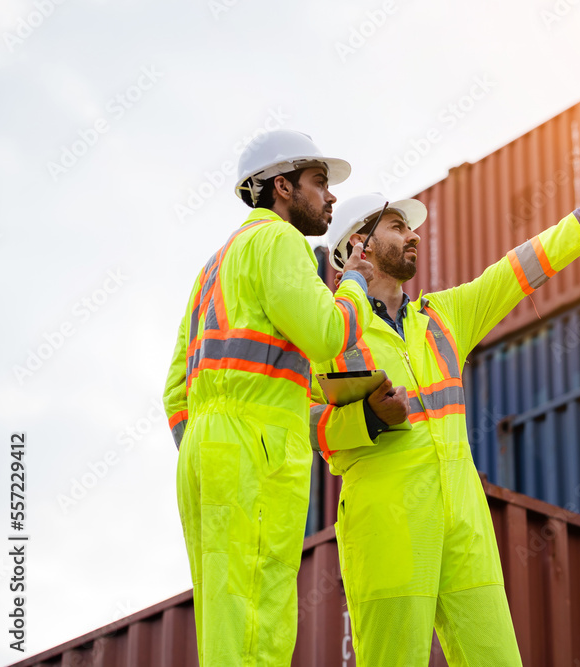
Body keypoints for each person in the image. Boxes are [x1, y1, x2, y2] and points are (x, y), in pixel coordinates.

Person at [309, 164, 580, 665]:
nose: (414, 235)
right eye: (397, 227)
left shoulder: (443, 317)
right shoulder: (330, 332)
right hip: (387, 525)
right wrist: (369, 418)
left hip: (464, 524)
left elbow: (518, 270)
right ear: (358, 249)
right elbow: (307, 427)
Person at [163, 129, 384, 666]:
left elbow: (175, 393)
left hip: (206, 454)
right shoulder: (281, 242)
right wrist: (354, 281)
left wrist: (211, 447)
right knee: (260, 620)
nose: (331, 196)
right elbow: (327, 334)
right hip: (255, 450)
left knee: (226, 616)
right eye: (320, 182)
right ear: (281, 187)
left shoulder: (212, 268)